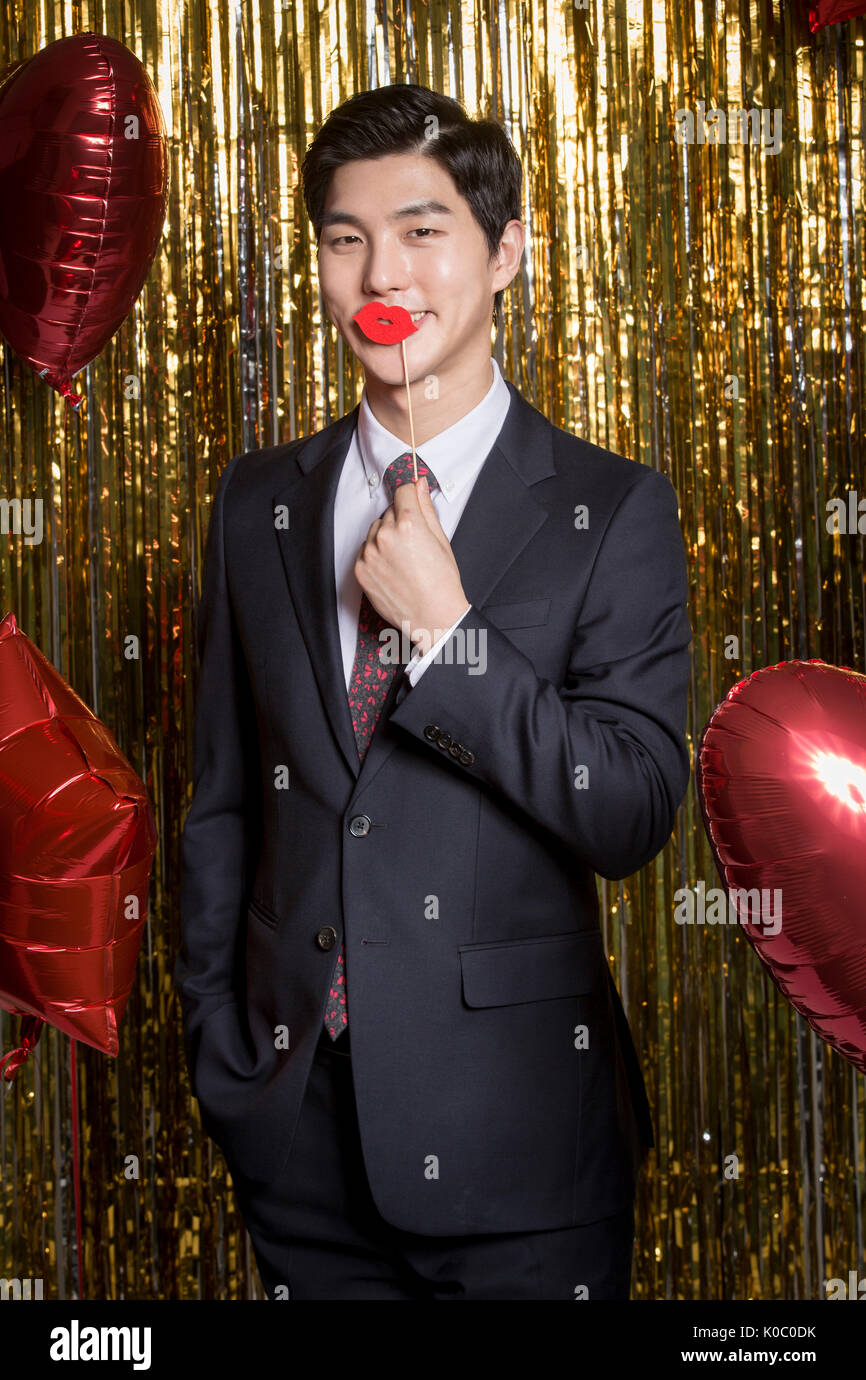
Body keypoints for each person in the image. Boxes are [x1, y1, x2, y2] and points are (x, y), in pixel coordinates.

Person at [176, 82, 692, 1300]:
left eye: (421, 232)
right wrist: (224, 1055)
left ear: (505, 251)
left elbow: (629, 808)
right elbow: (224, 808)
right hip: (297, 1138)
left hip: (521, 1150)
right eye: (345, 239)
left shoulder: (607, 508)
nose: (378, 275)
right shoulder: (259, 504)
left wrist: (449, 635)